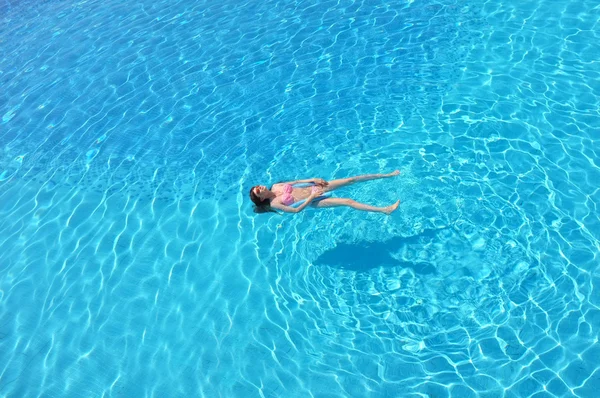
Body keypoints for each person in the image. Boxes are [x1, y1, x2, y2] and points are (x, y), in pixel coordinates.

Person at [249, 171, 401, 214]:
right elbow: (295, 210)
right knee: (348, 201)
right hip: (315, 200)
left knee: (350, 180)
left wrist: (313, 179)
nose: (260, 187)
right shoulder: (275, 203)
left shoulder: (276, 185)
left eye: (258, 186)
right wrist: (311, 197)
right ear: (261, 198)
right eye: (258, 190)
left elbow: (295, 183)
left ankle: (386, 175)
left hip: (314, 188)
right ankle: (385, 210)